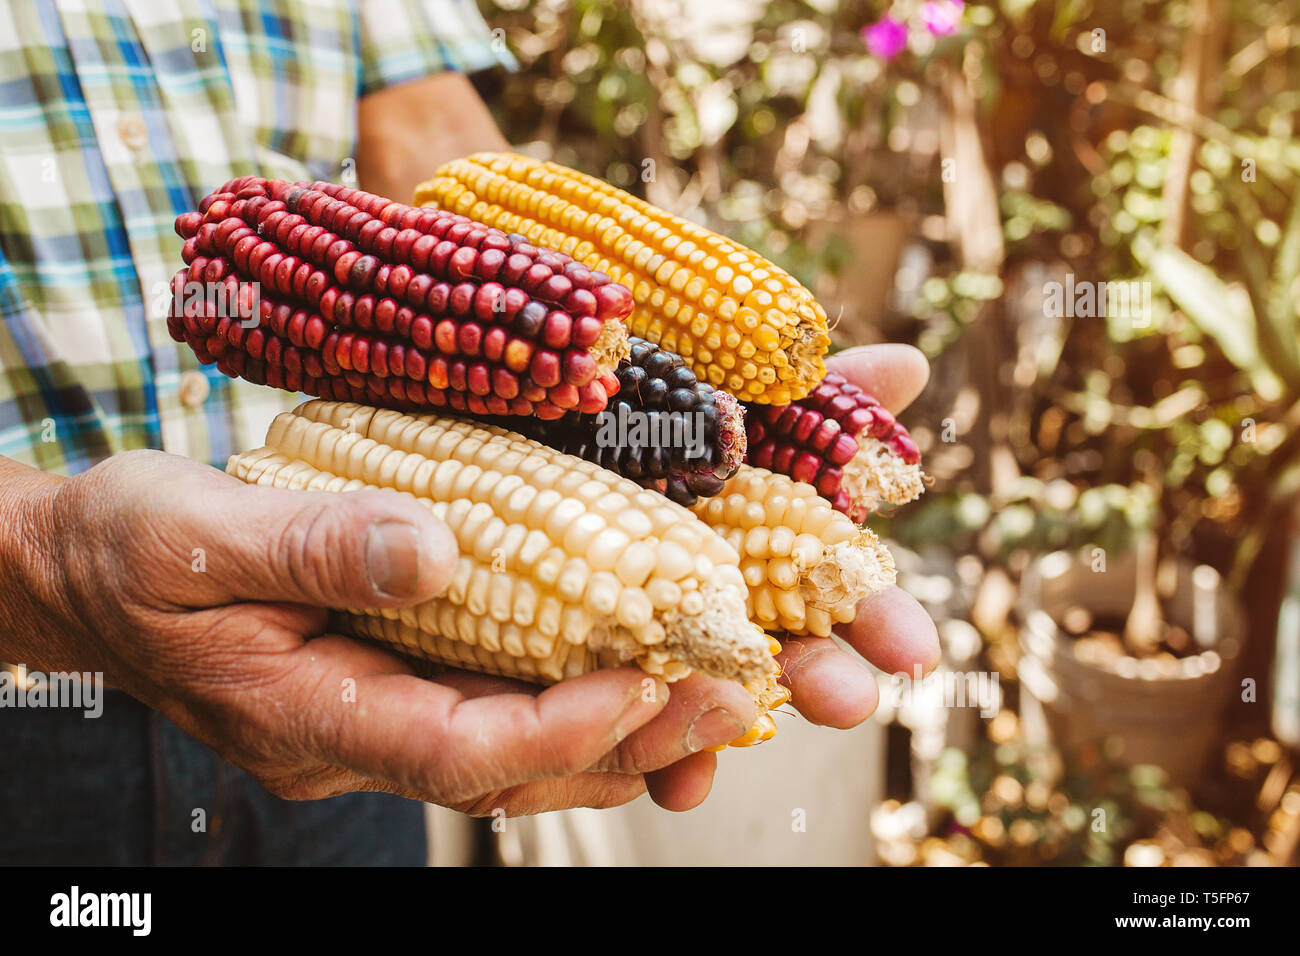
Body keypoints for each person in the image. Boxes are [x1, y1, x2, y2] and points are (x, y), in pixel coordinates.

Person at [0, 0, 940, 865]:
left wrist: (571, 306)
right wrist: (44, 559)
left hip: (359, 652)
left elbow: (437, 159)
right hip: (32, 707)